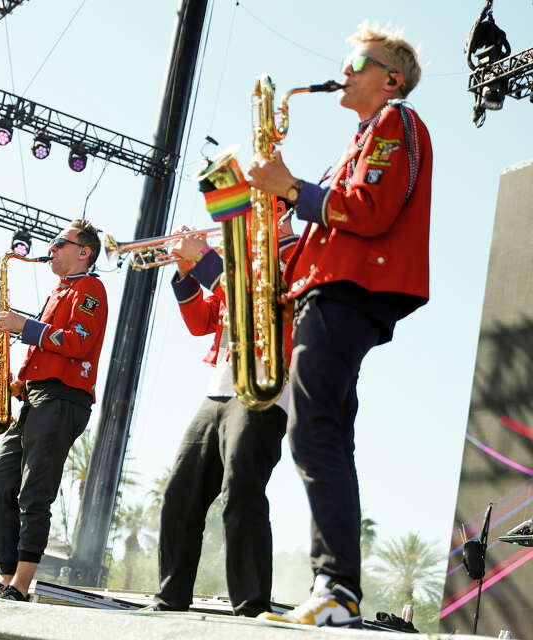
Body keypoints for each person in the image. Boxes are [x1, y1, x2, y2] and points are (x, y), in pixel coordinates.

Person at [246, 23, 431, 627]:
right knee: (324, 432)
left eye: (359, 60)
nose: (345, 69)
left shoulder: (395, 122)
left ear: (391, 79)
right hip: (330, 291)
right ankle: (336, 587)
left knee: (313, 431)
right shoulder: (362, 138)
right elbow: (329, 216)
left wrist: (293, 187)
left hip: (349, 292)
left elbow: (370, 211)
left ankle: (337, 589)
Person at [146, 222, 296, 616]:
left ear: (279, 209)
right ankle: (169, 598)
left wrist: (206, 261)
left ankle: (250, 609)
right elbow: (201, 323)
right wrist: (185, 271)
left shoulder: (295, 251)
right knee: (180, 493)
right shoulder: (236, 263)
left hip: (265, 387)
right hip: (219, 389)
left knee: (241, 493)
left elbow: (260, 299)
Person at [0, 219, 108, 601]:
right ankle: (7, 580)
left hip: (62, 399)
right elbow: (48, 349)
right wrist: (19, 381)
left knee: (34, 492)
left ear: (83, 251)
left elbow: (78, 343)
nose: (50, 250)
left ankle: (20, 586)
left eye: (59, 243)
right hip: (37, 398)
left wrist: (23, 325)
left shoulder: (90, 288)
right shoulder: (61, 290)